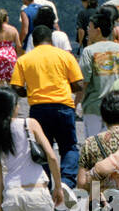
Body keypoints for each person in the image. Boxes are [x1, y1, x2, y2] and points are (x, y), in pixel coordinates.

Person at [9, 23, 84, 193]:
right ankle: (66, 182)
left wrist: (29, 90)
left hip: (38, 109)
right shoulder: (65, 56)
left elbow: (15, 87)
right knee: (69, 146)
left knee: (42, 148)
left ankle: (47, 185)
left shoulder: (24, 60)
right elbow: (79, 84)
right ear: (51, 40)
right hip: (63, 105)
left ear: (34, 42)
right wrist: (64, 86)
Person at [78, 9, 119, 139]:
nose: (87, 30)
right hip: (117, 107)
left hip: (94, 106)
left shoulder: (88, 51)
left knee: (93, 144)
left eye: (89, 27)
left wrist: (77, 103)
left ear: (98, 30)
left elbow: (83, 81)